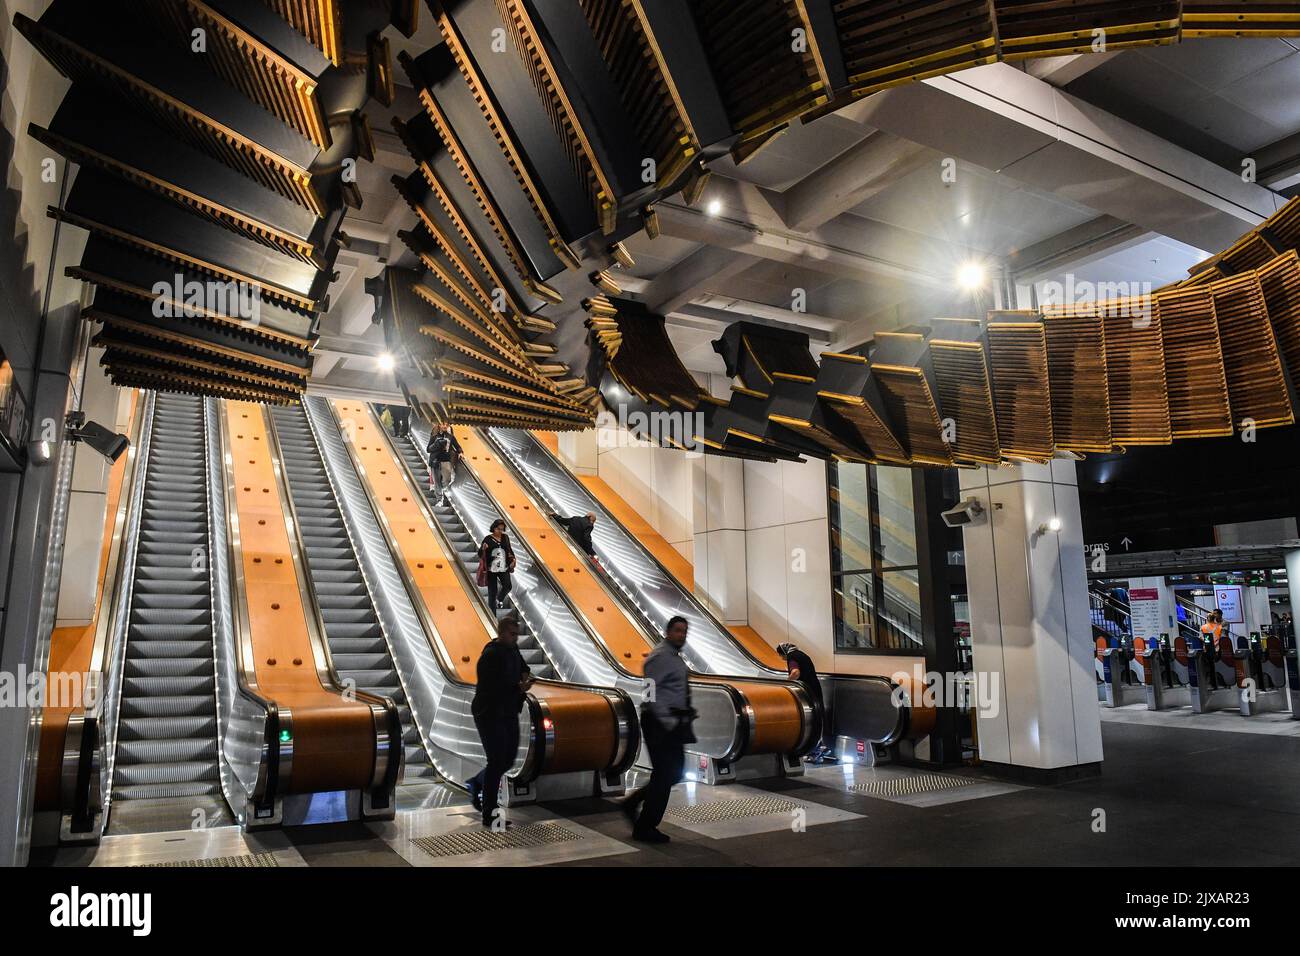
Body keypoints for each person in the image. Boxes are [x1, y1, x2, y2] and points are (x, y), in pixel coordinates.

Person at [622, 616, 695, 844]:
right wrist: (666, 719)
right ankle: (645, 827)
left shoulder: (673, 657)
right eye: (677, 631)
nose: (681, 635)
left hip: (672, 723)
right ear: (667, 632)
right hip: (659, 724)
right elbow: (649, 692)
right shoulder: (660, 657)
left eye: (684, 631)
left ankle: (633, 804)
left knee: (673, 773)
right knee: (665, 774)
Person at [466, 616, 532, 829]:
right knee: (496, 761)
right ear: (501, 633)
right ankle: (490, 814)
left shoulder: (512, 649)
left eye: (517, 635)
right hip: (489, 713)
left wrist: (524, 676)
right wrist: (518, 688)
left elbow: (523, 666)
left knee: (508, 761)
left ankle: (477, 782)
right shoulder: (490, 655)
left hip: (508, 711)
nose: (515, 638)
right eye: (512, 634)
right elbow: (491, 688)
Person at [776, 642, 825, 753]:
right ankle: (820, 745)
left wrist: (787, 683)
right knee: (818, 716)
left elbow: (796, 672)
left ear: (784, 652)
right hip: (815, 688)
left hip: (807, 691)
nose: (782, 659)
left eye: (781, 656)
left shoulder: (792, 657)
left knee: (811, 718)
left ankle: (814, 748)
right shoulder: (802, 654)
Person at [478, 519, 516, 610]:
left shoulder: (505, 537)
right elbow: (480, 554)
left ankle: (499, 599)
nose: (500, 531)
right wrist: (483, 549)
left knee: (508, 585)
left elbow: (509, 550)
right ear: (494, 528)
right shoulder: (488, 539)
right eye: (498, 529)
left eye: (502, 529)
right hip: (491, 569)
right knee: (492, 592)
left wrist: (512, 560)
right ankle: (493, 615)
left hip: (503, 567)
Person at [426, 423, 462, 504]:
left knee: (447, 479)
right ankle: (439, 499)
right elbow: (428, 449)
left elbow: (457, 446)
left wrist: (460, 452)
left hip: (446, 460)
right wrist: (436, 444)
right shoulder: (434, 436)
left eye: (447, 425)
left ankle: (441, 490)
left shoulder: (450, 437)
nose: (445, 426)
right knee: (437, 481)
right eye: (443, 424)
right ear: (439, 425)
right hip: (435, 460)